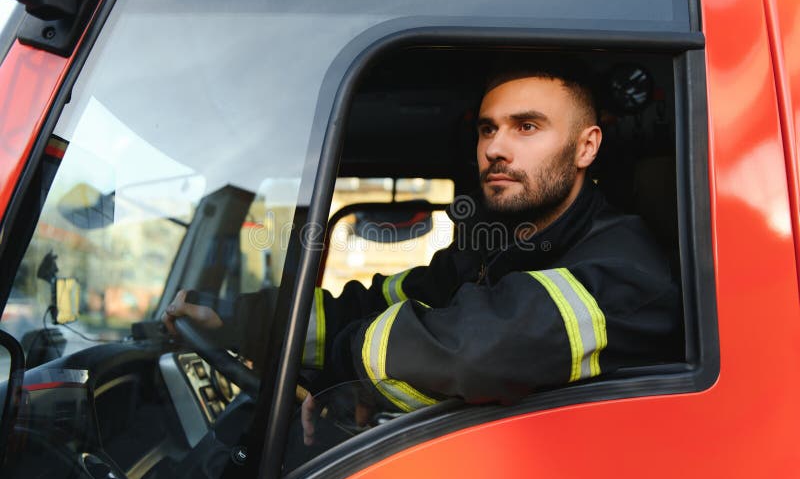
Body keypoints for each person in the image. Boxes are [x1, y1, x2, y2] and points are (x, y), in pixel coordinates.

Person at [164, 58, 682, 435]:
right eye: (487, 129)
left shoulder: (626, 272)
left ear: (586, 146)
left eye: (527, 127)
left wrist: (346, 380)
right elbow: (374, 305)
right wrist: (237, 320)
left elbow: (475, 349)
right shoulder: (496, 248)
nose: (495, 148)